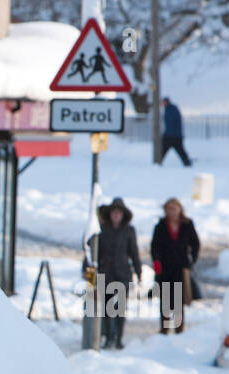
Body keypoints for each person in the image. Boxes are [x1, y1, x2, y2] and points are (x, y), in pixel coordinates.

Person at [87, 196, 142, 349]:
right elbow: (93, 253)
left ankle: (118, 338)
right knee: (108, 307)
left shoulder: (129, 231)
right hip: (106, 274)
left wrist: (139, 272)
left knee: (120, 307)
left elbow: (134, 253)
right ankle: (109, 337)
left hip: (123, 274)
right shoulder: (102, 230)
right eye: (114, 212)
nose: (116, 215)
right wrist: (90, 275)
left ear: (123, 214)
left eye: (119, 212)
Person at [150, 197, 201, 334]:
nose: (172, 211)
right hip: (165, 268)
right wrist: (156, 261)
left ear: (180, 209)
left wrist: (192, 260)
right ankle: (164, 329)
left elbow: (195, 243)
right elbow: (155, 246)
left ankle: (179, 329)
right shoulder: (160, 226)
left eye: (174, 208)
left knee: (179, 299)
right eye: (169, 208)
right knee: (166, 299)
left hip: (181, 267)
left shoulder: (187, 225)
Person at [160, 97, 192, 166]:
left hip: (172, 136)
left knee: (166, 150)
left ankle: (158, 163)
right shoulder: (169, 109)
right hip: (173, 135)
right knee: (179, 150)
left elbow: (172, 123)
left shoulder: (171, 110)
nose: (162, 104)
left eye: (163, 102)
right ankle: (187, 162)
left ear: (166, 102)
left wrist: (167, 134)